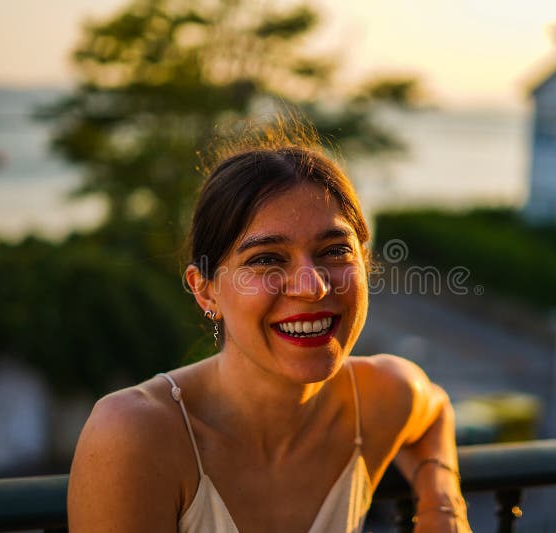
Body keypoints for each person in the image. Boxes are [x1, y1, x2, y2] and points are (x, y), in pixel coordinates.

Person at [67, 133, 472, 532]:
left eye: (334, 250)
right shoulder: (136, 437)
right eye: (266, 259)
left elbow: (433, 410)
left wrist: (442, 503)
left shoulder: (379, 397)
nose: (312, 286)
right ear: (205, 290)